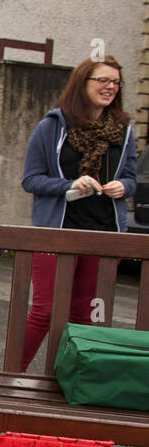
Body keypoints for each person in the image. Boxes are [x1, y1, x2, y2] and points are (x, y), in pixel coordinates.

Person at [20, 56, 138, 369]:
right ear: (82, 83)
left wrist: (123, 187)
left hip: (101, 236)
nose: (110, 87)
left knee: (84, 316)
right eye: (103, 80)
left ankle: (68, 382)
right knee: (44, 311)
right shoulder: (52, 126)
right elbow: (30, 179)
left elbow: (130, 176)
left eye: (115, 81)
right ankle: (9, 375)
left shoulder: (123, 131)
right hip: (56, 234)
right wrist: (69, 184)